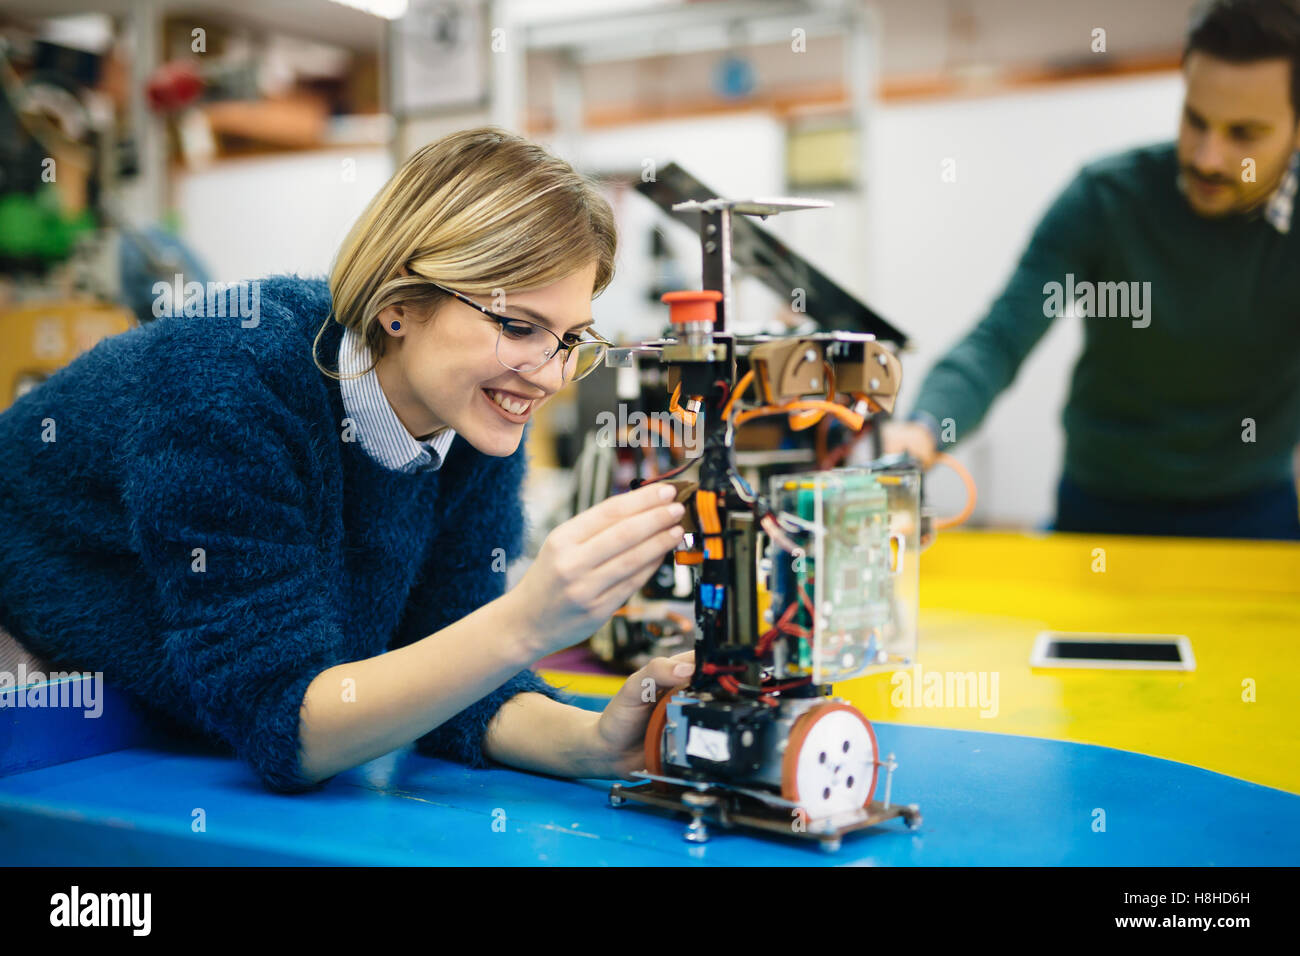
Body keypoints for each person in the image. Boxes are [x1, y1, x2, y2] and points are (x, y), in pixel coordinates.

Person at [0, 127, 695, 792]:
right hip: (28, 665)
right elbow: (287, 724)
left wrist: (593, 744)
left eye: (571, 338)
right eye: (518, 326)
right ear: (399, 303)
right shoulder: (231, 379)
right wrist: (529, 623)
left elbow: (455, 679)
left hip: (172, 702)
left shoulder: (472, 419)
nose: (548, 375)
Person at [883, 0, 1300, 540]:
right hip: (1103, 508)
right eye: (1195, 121)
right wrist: (923, 431)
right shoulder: (1105, 201)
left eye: (1243, 134)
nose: (1208, 158)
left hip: (1253, 513)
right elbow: (1000, 340)